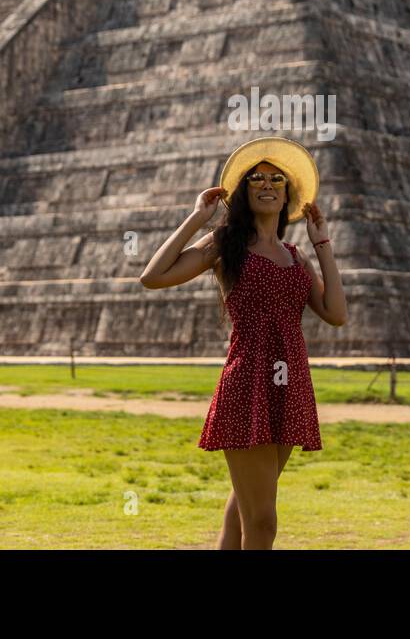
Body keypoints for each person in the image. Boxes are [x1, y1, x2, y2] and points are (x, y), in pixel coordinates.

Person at [140, 136, 347, 549]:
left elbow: (336, 313)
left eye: (276, 179)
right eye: (256, 179)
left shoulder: (296, 256)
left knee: (244, 513)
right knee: (263, 520)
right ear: (244, 191)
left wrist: (321, 242)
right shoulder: (225, 245)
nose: (267, 185)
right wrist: (197, 218)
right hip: (247, 383)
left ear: (287, 194)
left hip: (290, 385)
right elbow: (153, 276)